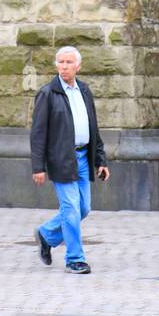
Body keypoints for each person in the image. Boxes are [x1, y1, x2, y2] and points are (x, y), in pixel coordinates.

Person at [30, 45, 110, 273]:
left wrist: (100, 160)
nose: (64, 66)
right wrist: (38, 167)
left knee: (83, 208)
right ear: (56, 65)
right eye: (61, 62)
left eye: (69, 62)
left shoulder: (84, 91)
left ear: (78, 66)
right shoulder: (48, 94)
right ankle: (74, 259)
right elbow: (37, 134)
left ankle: (46, 234)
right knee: (71, 208)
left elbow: (93, 127)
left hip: (84, 157)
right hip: (61, 159)